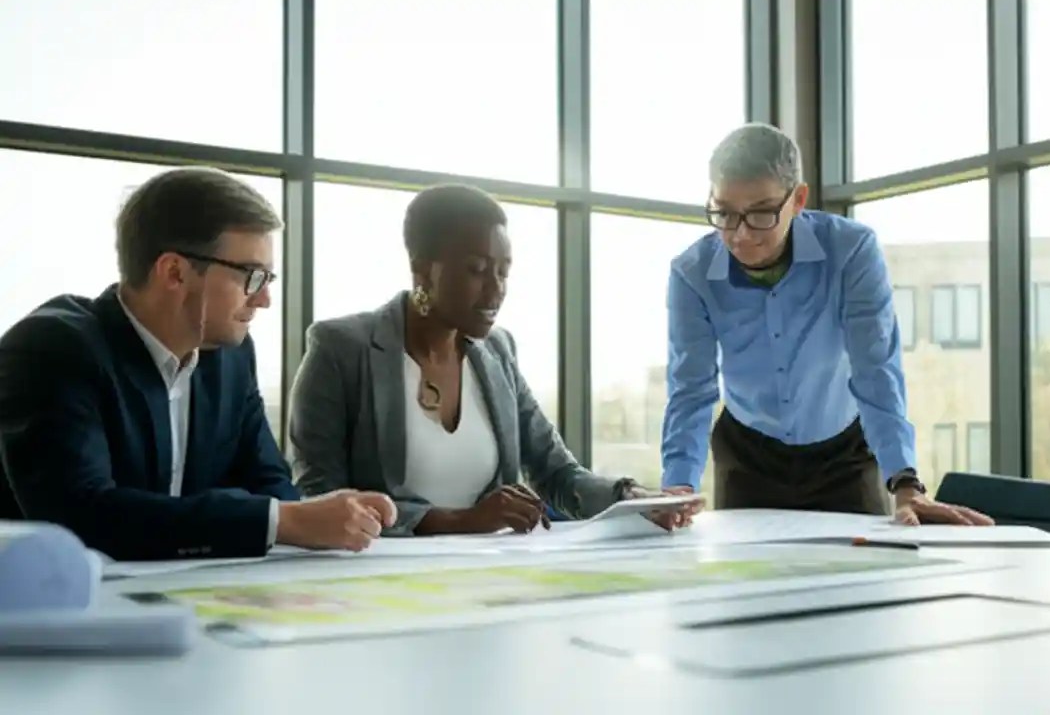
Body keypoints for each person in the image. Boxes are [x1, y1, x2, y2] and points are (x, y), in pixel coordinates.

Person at [0, 167, 397, 561]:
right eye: (253, 277)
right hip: (49, 604)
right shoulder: (53, 349)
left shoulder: (231, 354)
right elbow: (83, 515)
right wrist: (284, 521)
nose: (263, 300)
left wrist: (330, 517)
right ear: (174, 272)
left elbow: (267, 482)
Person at [289, 184, 699, 535]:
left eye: (504, 271)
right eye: (477, 270)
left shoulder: (498, 352)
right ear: (421, 269)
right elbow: (319, 497)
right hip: (381, 590)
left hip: (491, 583)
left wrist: (630, 498)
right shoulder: (341, 349)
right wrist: (459, 521)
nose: (496, 289)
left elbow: (556, 473)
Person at [661, 123, 993, 526]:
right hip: (747, 457)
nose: (741, 235)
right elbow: (691, 391)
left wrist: (906, 483)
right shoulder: (691, 274)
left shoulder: (852, 252)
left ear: (798, 199)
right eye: (725, 214)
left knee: (862, 578)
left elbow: (876, 371)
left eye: (762, 213)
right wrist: (676, 489)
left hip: (844, 456)